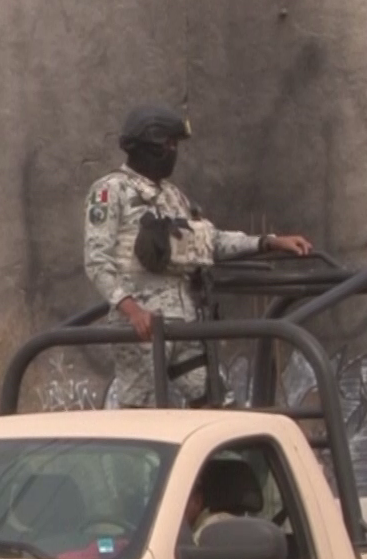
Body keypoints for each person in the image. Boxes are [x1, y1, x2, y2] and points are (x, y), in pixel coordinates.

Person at [83, 105, 314, 408]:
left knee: (218, 406)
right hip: (143, 330)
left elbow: (211, 241)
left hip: (185, 326)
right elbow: (97, 261)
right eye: (169, 144)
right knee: (140, 415)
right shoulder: (110, 191)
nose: (173, 152)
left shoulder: (173, 196)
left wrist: (268, 242)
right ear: (150, 146)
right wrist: (132, 311)